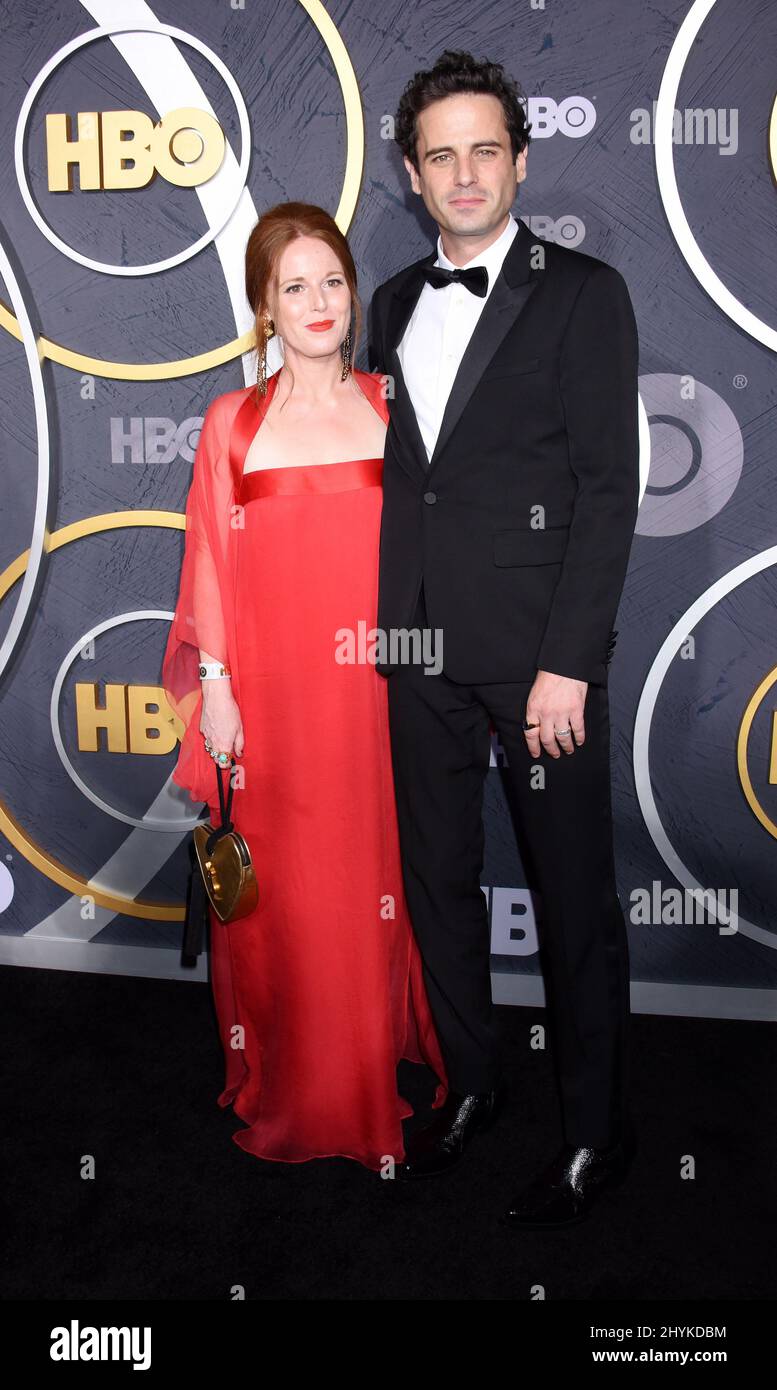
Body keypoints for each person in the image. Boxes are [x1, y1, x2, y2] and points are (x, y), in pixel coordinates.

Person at [368, 50, 640, 1224]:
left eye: (486, 150)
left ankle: (595, 1134)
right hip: (414, 652)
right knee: (438, 883)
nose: (466, 173)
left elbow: (609, 489)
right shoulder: (389, 303)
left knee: (572, 898)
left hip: (541, 663)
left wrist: (569, 662)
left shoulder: (583, 292)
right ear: (414, 175)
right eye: (442, 156)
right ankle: (471, 1083)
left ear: (520, 162)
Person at [162, 202, 448, 1173]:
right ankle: (300, 1081)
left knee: (373, 891)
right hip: (273, 706)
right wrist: (217, 687)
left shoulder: (391, 407)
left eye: (332, 281)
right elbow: (209, 562)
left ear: (353, 296)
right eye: (295, 286)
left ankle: (369, 1075)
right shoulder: (231, 424)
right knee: (290, 901)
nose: (318, 301)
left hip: (376, 699)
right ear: (264, 308)